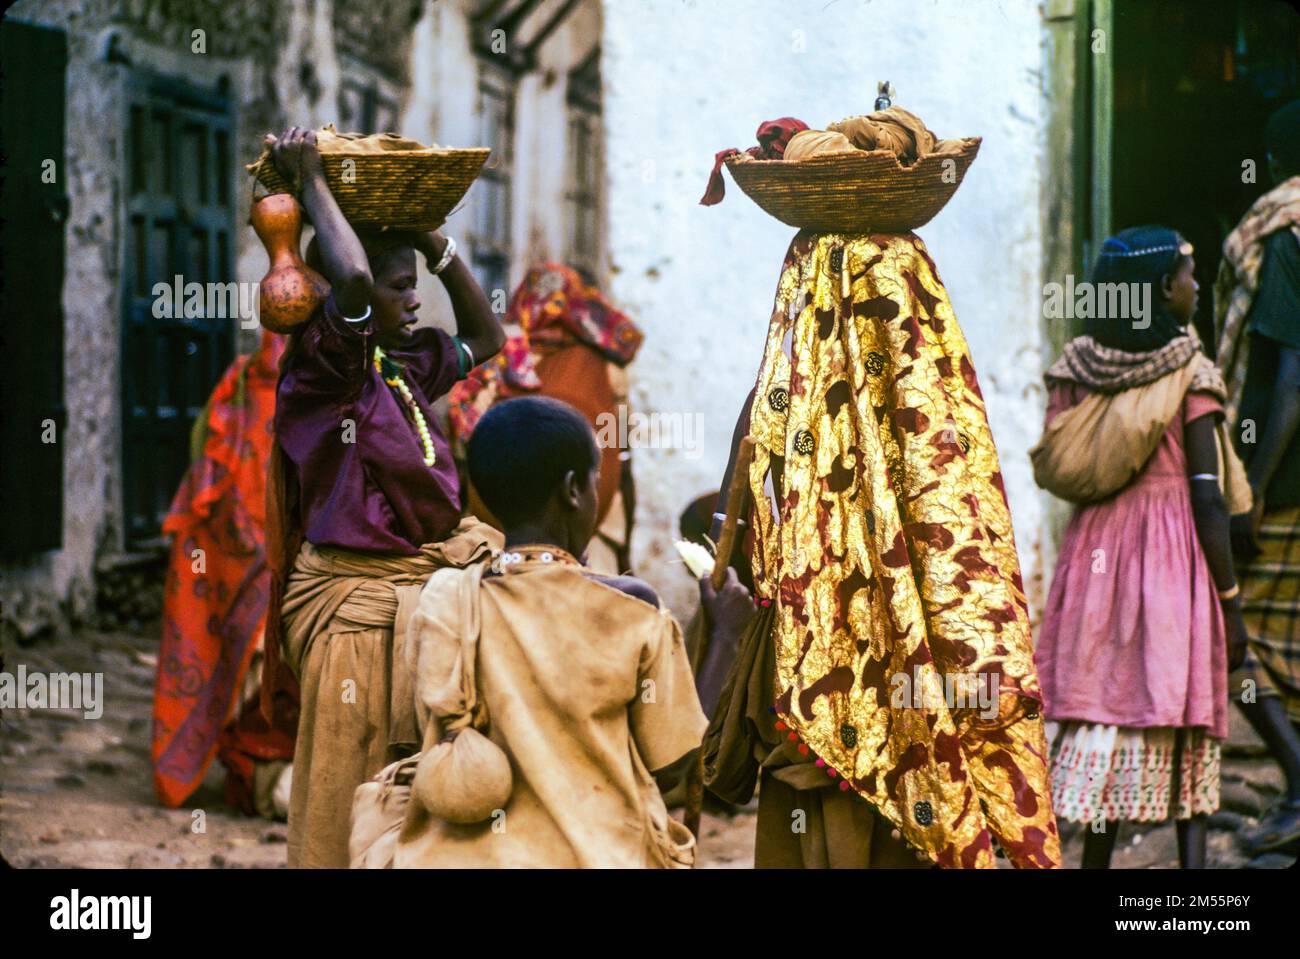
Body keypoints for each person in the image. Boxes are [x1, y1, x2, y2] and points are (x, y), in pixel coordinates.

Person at [703, 230, 1061, 869]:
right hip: (889, 713)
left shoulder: (773, 407)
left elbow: (734, 552)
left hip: (810, 712)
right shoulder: (935, 408)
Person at [261, 126, 506, 867]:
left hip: (413, 608)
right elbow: (359, 288)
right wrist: (311, 183)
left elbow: (487, 336)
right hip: (354, 619)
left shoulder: (404, 366)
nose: (413, 301)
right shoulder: (327, 370)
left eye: (415, 288)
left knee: (408, 814)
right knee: (346, 806)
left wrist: (438, 249)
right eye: (402, 288)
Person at [389, 396, 751, 867]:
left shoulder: (444, 598)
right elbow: (672, 766)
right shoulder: (629, 607)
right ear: (573, 490)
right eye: (597, 479)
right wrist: (725, 636)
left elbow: (422, 740)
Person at [1033, 226, 1249, 869]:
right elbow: (1207, 496)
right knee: (1180, 708)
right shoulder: (1190, 372)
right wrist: (1230, 600)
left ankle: (1095, 863)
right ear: (1162, 290)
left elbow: (1060, 459)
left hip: (1094, 554)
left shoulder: (1078, 368)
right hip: (1169, 555)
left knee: (1106, 707)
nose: (1195, 286)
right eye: (1187, 274)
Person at [152, 330, 295, 817]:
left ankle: (264, 767)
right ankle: (252, 763)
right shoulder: (242, 387)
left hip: (281, 557)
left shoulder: (315, 391)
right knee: (254, 667)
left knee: (276, 670)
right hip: (236, 555)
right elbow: (216, 476)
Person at [1215, 99, 1300, 856]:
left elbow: (1292, 375)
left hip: (1292, 476)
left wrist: (1256, 483)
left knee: (1251, 638)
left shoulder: (1281, 232)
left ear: (1274, 163)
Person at [448, 263, 643, 573]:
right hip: (594, 535)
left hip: (497, 540)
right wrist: (626, 553)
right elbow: (623, 460)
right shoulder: (606, 368)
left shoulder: (494, 360)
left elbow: (460, 455)